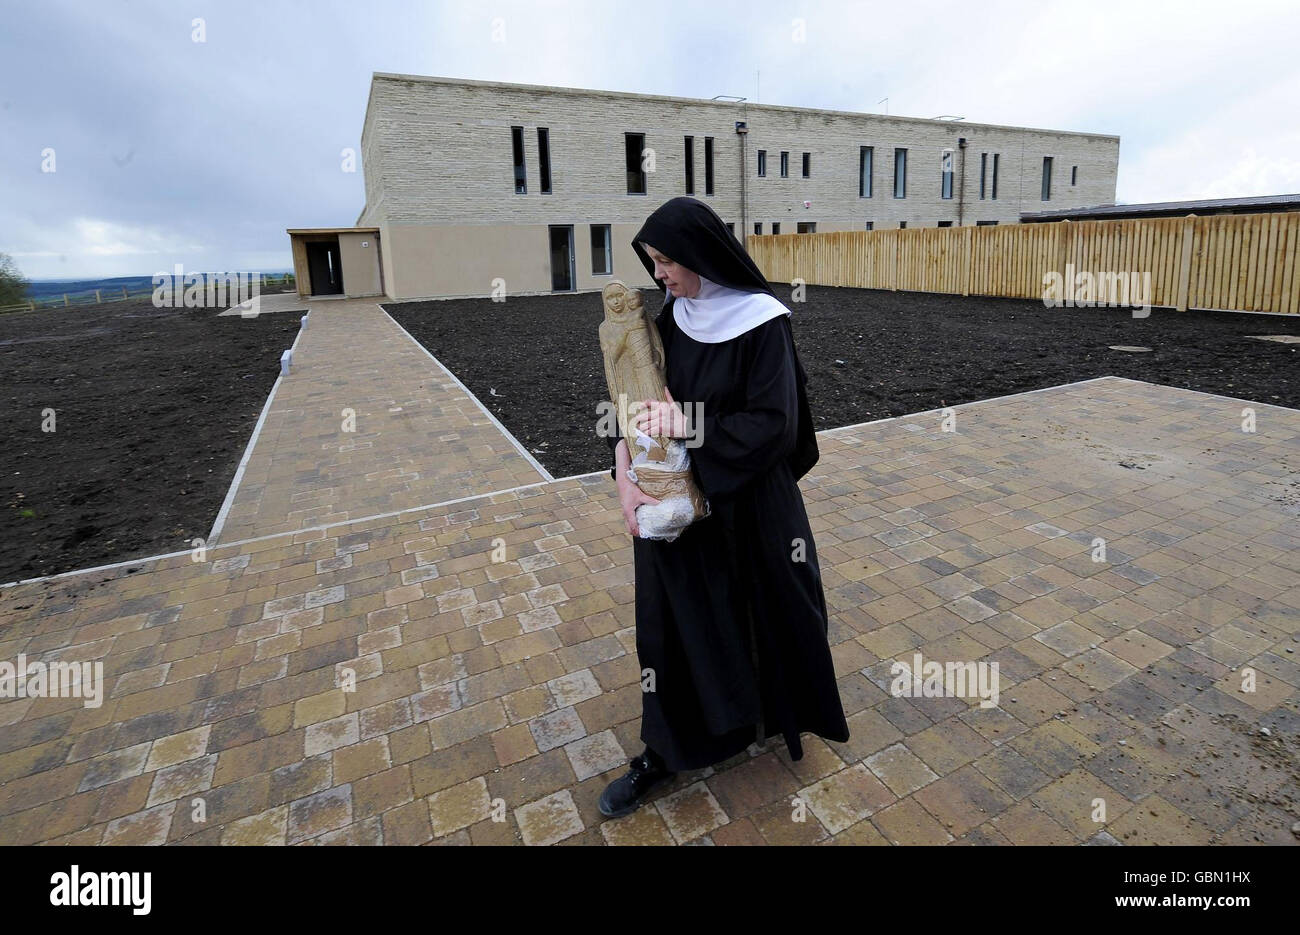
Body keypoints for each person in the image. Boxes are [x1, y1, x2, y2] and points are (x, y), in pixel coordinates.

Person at [597, 196, 850, 819]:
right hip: (678, 499)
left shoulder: (763, 322)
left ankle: (761, 717)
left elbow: (775, 424)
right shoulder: (676, 315)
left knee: (769, 612)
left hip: (752, 502)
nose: (659, 275)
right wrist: (622, 471)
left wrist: (691, 423)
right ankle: (665, 748)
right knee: (671, 626)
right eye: (653, 263)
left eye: (665, 262)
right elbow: (639, 398)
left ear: (700, 257)